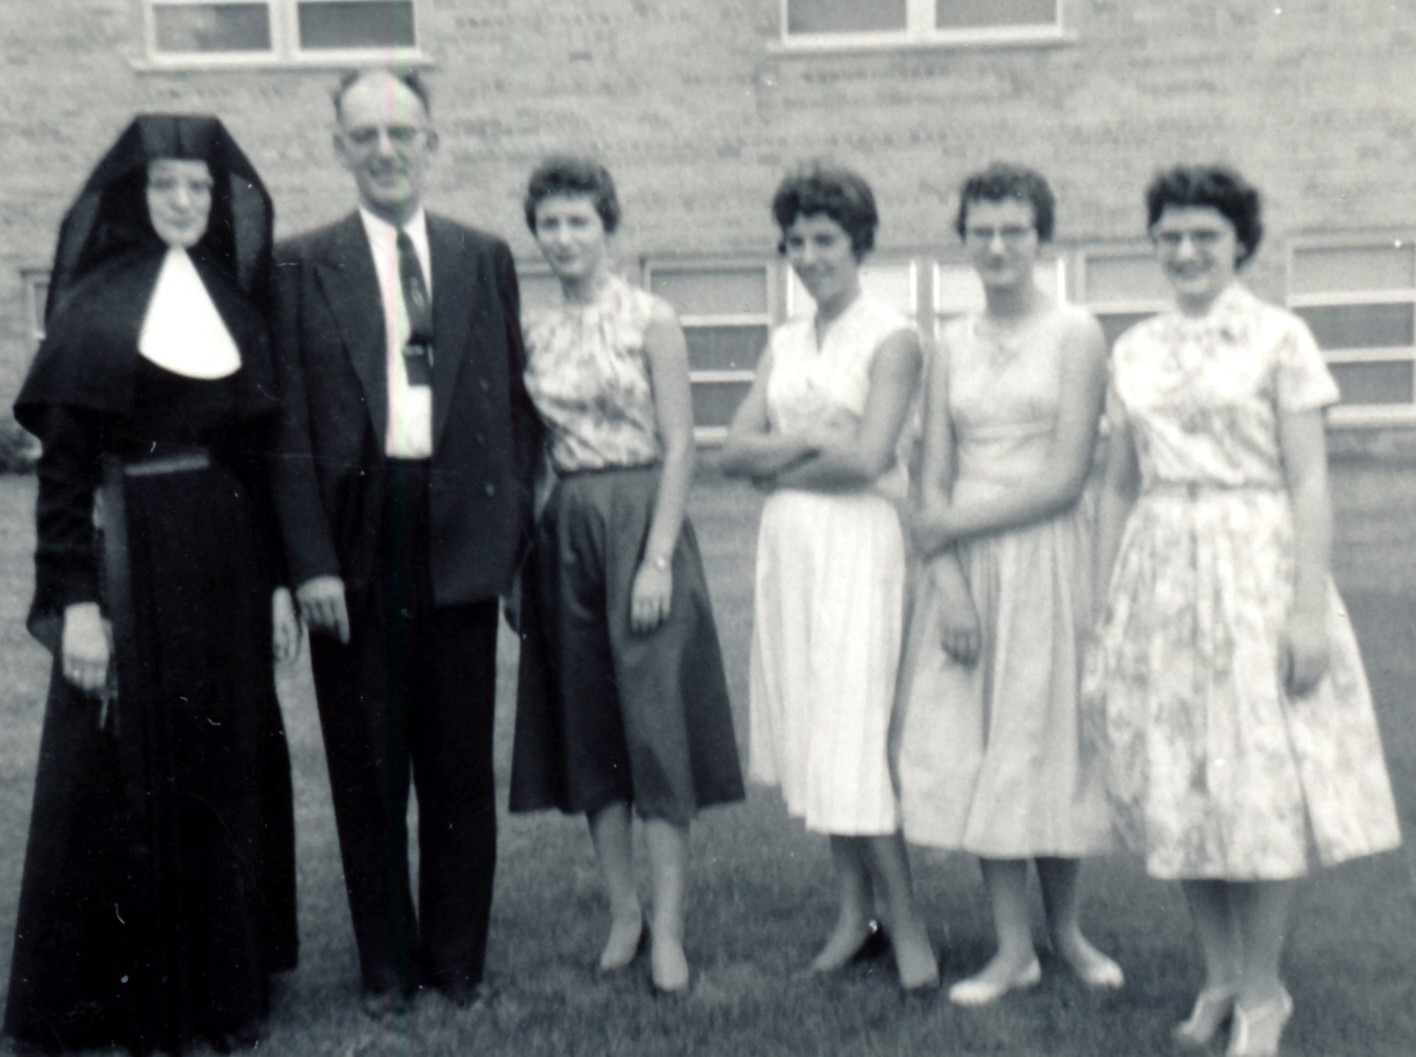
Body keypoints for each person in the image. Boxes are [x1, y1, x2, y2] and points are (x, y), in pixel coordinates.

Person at [1086, 165, 1402, 1057]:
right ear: (1153, 245)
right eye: (1170, 237)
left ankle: (1265, 994)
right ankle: (1219, 974)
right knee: (1184, 784)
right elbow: (1116, 485)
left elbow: (1309, 480)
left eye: (1206, 237)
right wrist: (1108, 603)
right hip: (1162, 575)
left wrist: (1306, 611)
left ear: (1239, 245)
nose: (1185, 252)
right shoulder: (1134, 348)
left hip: (1255, 572)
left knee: (1256, 787)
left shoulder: (1281, 338)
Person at [4, 115, 298, 1054]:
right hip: (131, 557)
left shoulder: (232, 302)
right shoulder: (96, 306)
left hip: (226, 560)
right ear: (136, 194)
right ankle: (127, 1003)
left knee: (225, 762)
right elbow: (60, 482)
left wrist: (281, 585)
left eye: (199, 189)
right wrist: (77, 606)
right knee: (121, 772)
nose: (183, 202)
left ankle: (224, 991)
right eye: (166, 185)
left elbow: (258, 461)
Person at [269, 69, 540, 1015]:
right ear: (337, 146)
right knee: (368, 762)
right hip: (357, 536)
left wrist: (509, 551)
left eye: (402, 130)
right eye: (364, 133)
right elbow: (287, 428)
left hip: (461, 526)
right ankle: (385, 966)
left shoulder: (482, 255)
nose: (385, 149)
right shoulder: (300, 265)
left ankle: (457, 963)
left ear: (433, 139)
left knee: (460, 763)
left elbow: (515, 410)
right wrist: (308, 562)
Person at [507, 157, 744, 994]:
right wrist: (518, 560)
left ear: (608, 228)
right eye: (551, 223)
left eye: (580, 221)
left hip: (645, 517)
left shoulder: (653, 317)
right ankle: (624, 912)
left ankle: (671, 926)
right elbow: (528, 450)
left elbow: (683, 443)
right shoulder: (530, 328)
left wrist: (654, 558)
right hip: (565, 525)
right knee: (590, 728)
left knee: (654, 724)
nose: (565, 237)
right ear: (535, 233)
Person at [893, 163, 1123, 1006]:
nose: (997, 246)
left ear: (1041, 238)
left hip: (1047, 555)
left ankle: (1066, 931)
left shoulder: (1078, 333)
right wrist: (947, 581)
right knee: (982, 746)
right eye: (982, 230)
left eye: (1014, 231)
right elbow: (931, 480)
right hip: (967, 569)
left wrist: (952, 527)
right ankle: (1012, 947)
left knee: (1044, 738)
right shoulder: (948, 341)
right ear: (964, 239)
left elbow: (1067, 477)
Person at [720, 162, 938, 992]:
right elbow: (728, 449)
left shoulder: (894, 337)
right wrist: (795, 456)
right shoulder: (784, 341)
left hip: (859, 544)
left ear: (862, 245)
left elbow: (871, 457)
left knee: (856, 733)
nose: (810, 255)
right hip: (793, 550)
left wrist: (774, 464)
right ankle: (855, 916)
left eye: (827, 240)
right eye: (798, 241)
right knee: (817, 728)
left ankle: (909, 925)